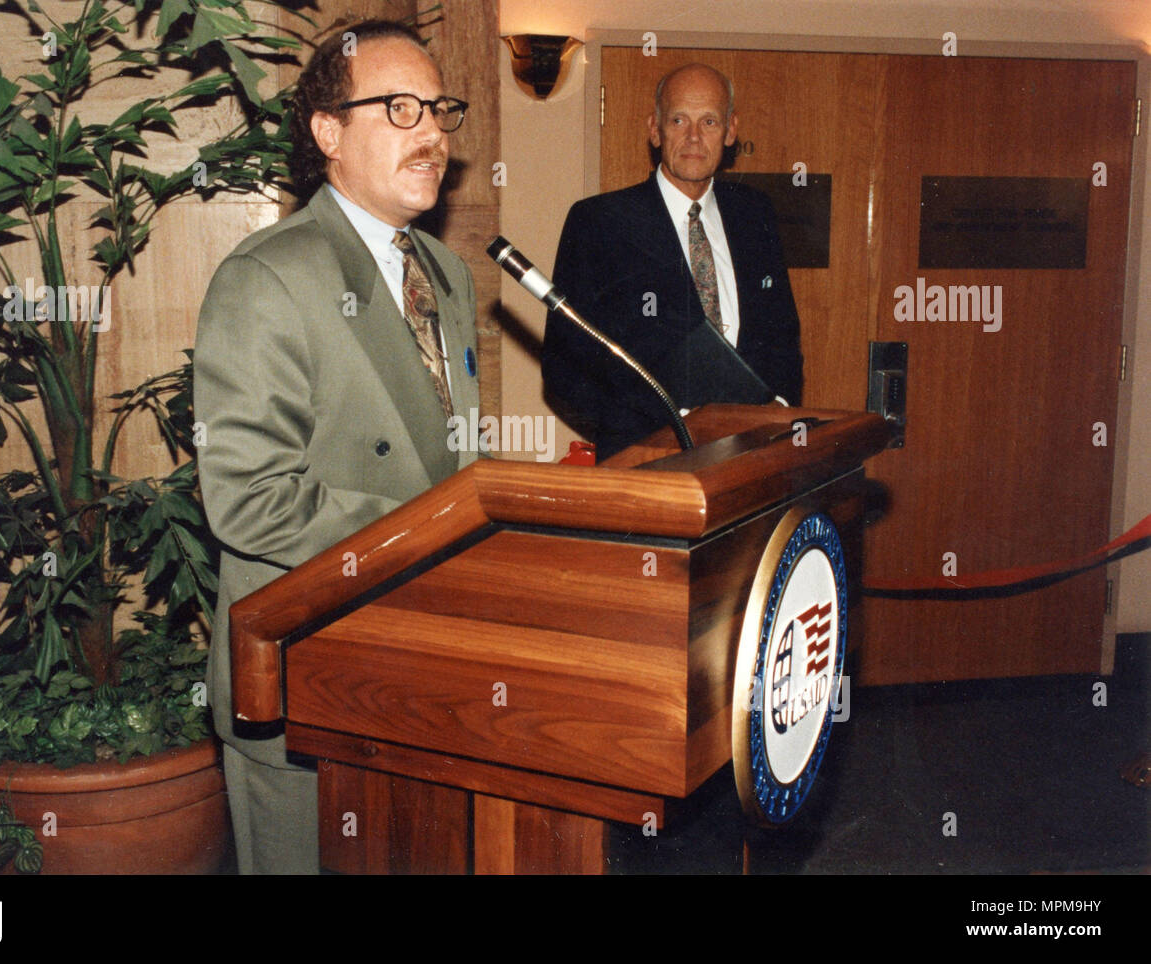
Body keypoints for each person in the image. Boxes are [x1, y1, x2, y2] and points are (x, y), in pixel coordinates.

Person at [193, 20, 480, 874]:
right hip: (306, 674)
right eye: (399, 109)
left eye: (437, 109)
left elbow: (450, 458)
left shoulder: (447, 272)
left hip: (422, 669)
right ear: (328, 133)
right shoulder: (270, 275)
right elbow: (249, 498)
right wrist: (439, 535)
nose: (430, 132)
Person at [541, 63, 803, 459]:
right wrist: (659, 432)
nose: (694, 137)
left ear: (731, 131)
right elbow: (566, 367)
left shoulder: (755, 214)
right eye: (679, 119)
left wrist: (777, 414)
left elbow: (783, 339)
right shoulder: (601, 222)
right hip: (647, 462)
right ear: (654, 129)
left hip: (751, 457)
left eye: (709, 121)